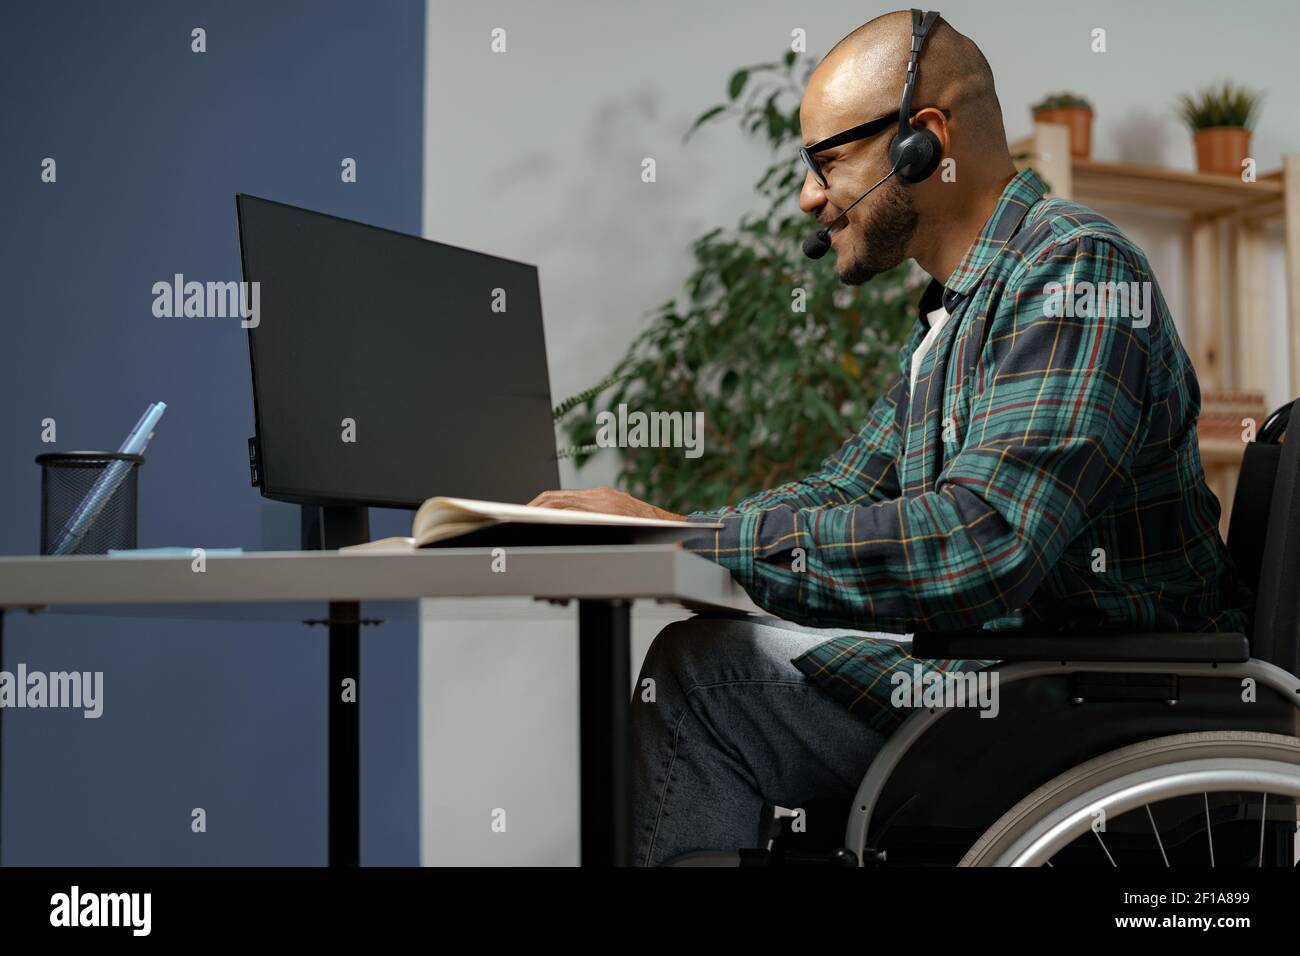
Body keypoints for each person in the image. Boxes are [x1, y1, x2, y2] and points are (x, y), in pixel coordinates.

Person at [529, 9, 1246, 866]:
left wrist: (700, 542)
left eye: (827, 162)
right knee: (704, 660)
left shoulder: (1073, 271)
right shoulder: (955, 313)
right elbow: (843, 490)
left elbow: (983, 541)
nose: (807, 197)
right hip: (1023, 686)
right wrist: (665, 529)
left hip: (1101, 712)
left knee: (702, 674)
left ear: (925, 142)